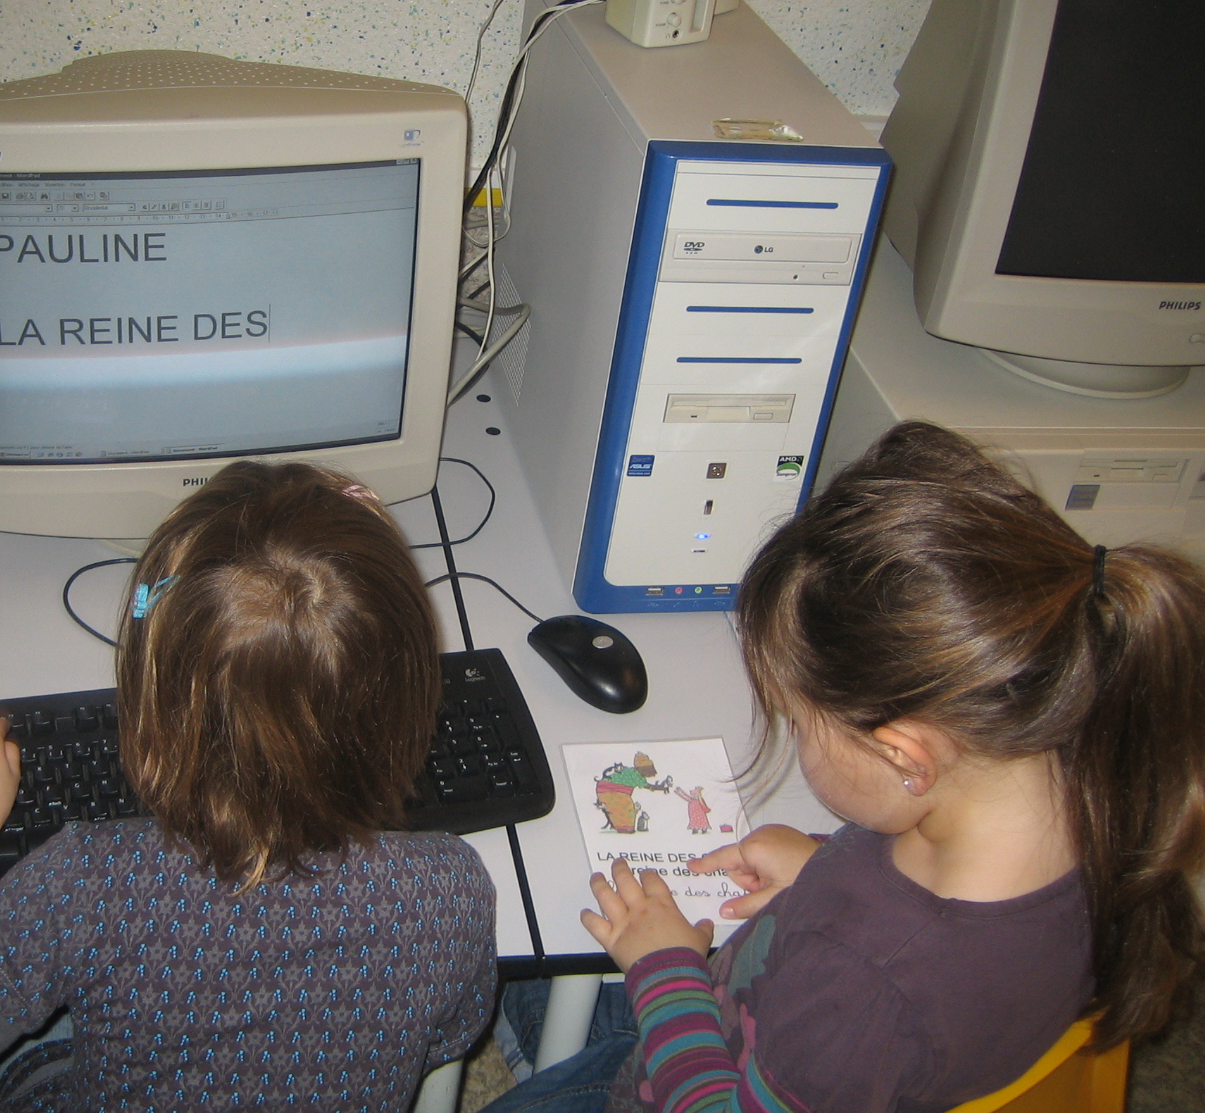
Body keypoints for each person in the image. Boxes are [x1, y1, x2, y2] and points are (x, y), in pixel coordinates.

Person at [488, 420, 1205, 1113]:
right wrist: (820, 865)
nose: (794, 736)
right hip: (779, 1008)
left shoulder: (863, 990)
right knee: (558, 964)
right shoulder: (1092, 802)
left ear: (904, 755)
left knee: (541, 970)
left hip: (707, 1076)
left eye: (800, 722)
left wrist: (666, 973)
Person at [0, 461, 497, 1113]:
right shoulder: (451, 888)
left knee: (38, 1030)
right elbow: (449, 1036)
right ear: (409, 696)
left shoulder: (87, 886)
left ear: (152, 701)